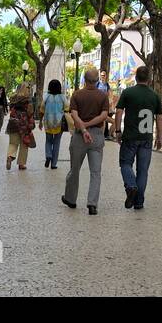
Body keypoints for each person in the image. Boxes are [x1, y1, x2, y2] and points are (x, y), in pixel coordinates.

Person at [114, 66, 162, 211]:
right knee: (143, 170)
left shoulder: (128, 92)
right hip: (146, 138)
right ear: (149, 78)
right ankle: (139, 202)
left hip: (130, 137)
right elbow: (160, 118)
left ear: (136, 77)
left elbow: (118, 112)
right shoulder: (155, 96)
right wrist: (159, 137)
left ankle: (131, 186)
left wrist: (118, 130)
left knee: (125, 164)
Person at [62, 68, 110, 215]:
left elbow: (74, 115)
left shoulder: (77, 95)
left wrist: (83, 128)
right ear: (97, 81)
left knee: (74, 169)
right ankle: (92, 204)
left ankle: (71, 199)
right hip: (96, 135)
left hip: (79, 136)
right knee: (95, 172)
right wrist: (89, 126)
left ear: (84, 79)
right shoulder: (103, 96)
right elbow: (103, 116)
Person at [5, 83, 37, 170]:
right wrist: (31, 124)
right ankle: (21, 164)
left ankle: (10, 157)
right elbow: (30, 113)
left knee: (13, 143)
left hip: (13, 123)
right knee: (24, 144)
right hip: (24, 124)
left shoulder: (13, 98)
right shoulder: (28, 100)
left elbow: (10, 109)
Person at [42, 79, 68, 170]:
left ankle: (48, 155)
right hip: (59, 123)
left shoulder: (46, 97)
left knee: (48, 140)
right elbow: (67, 109)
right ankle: (53, 164)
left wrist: (41, 122)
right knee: (57, 143)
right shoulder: (62, 97)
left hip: (48, 122)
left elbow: (41, 109)